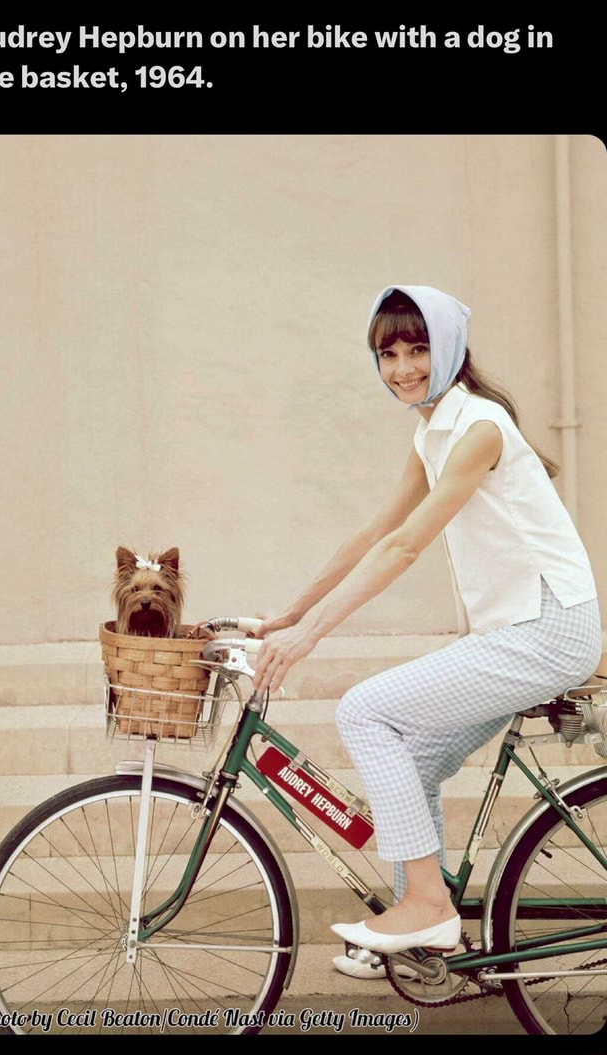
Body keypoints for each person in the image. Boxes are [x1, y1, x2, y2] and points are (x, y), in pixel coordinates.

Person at [252, 284, 602, 979]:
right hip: (513, 632)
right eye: (388, 353)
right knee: (410, 757)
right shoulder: (432, 430)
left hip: (546, 631)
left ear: (450, 350)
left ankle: (426, 906)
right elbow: (376, 531)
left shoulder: (480, 428)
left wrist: (310, 637)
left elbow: (405, 547)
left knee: (365, 709)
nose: (403, 367)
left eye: (418, 348)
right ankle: (431, 930)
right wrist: (292, 611)